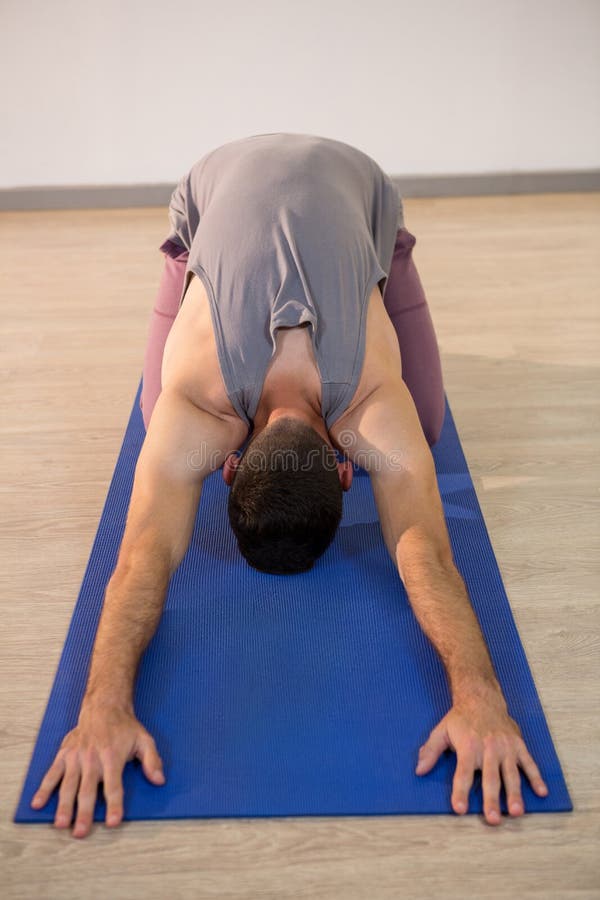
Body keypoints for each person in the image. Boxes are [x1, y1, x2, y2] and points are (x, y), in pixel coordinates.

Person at [30, 133, 548, 838]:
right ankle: (199, 267)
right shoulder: (322, 400)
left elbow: (143, 554)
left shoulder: (322, 399)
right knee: (408, 424)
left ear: (229, 465)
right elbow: (423, 550)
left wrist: (106, 708)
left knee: (420, 425)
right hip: (262, 176)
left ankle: (366, 252)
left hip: (353, 186)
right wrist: (478, 696)